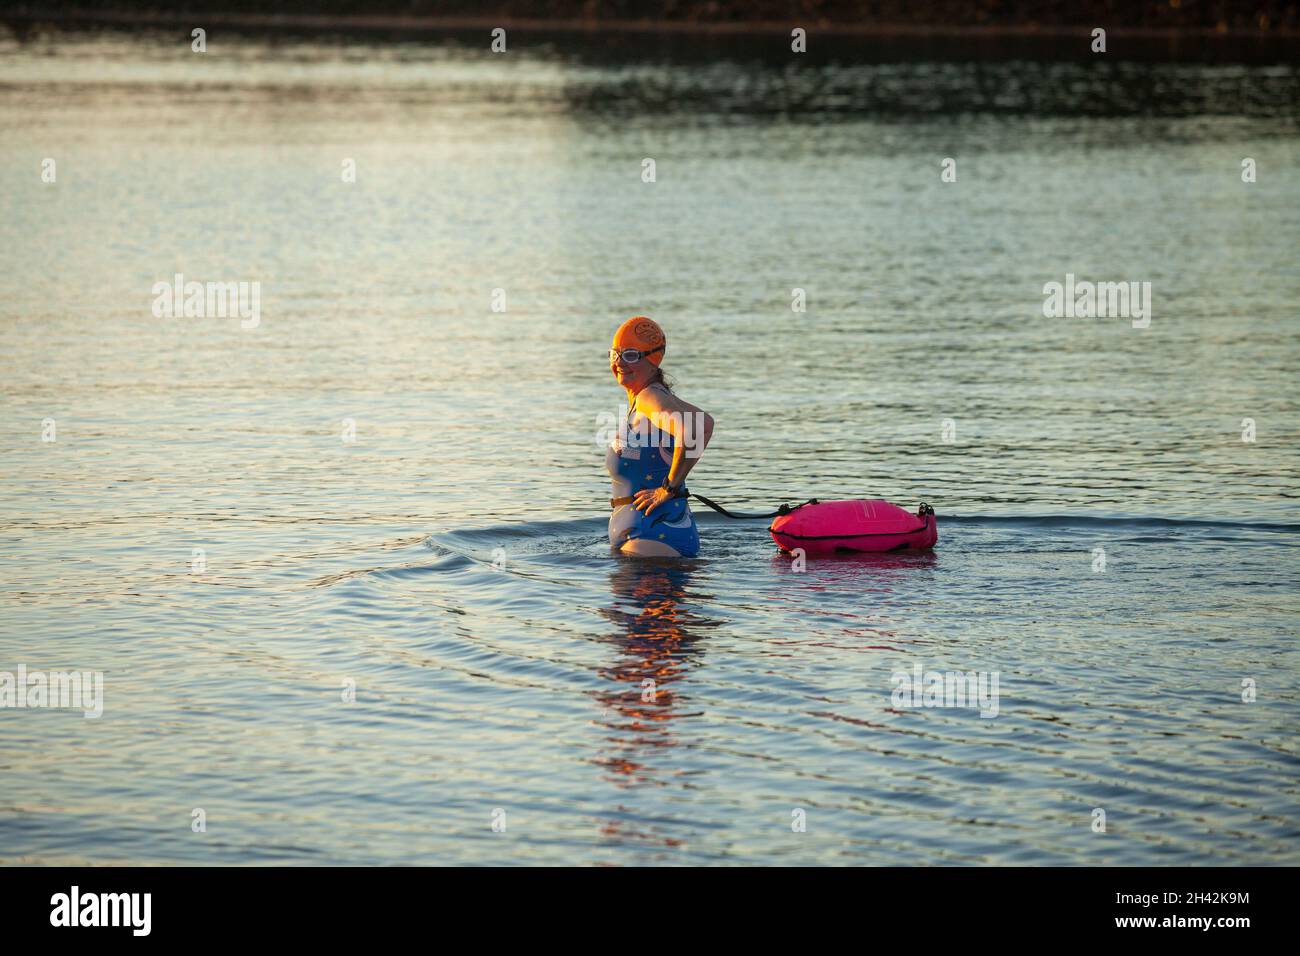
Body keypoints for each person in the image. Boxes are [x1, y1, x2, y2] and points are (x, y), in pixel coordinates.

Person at [606, 317, 714, 557]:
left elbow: (693, 428)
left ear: (652, 359)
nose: (620, 362)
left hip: (650, 541)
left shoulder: (648, 399)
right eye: (615, 354)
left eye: (631, 355)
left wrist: (668, 487)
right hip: (656, 535)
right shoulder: (653, 395)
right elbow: (705, 424)